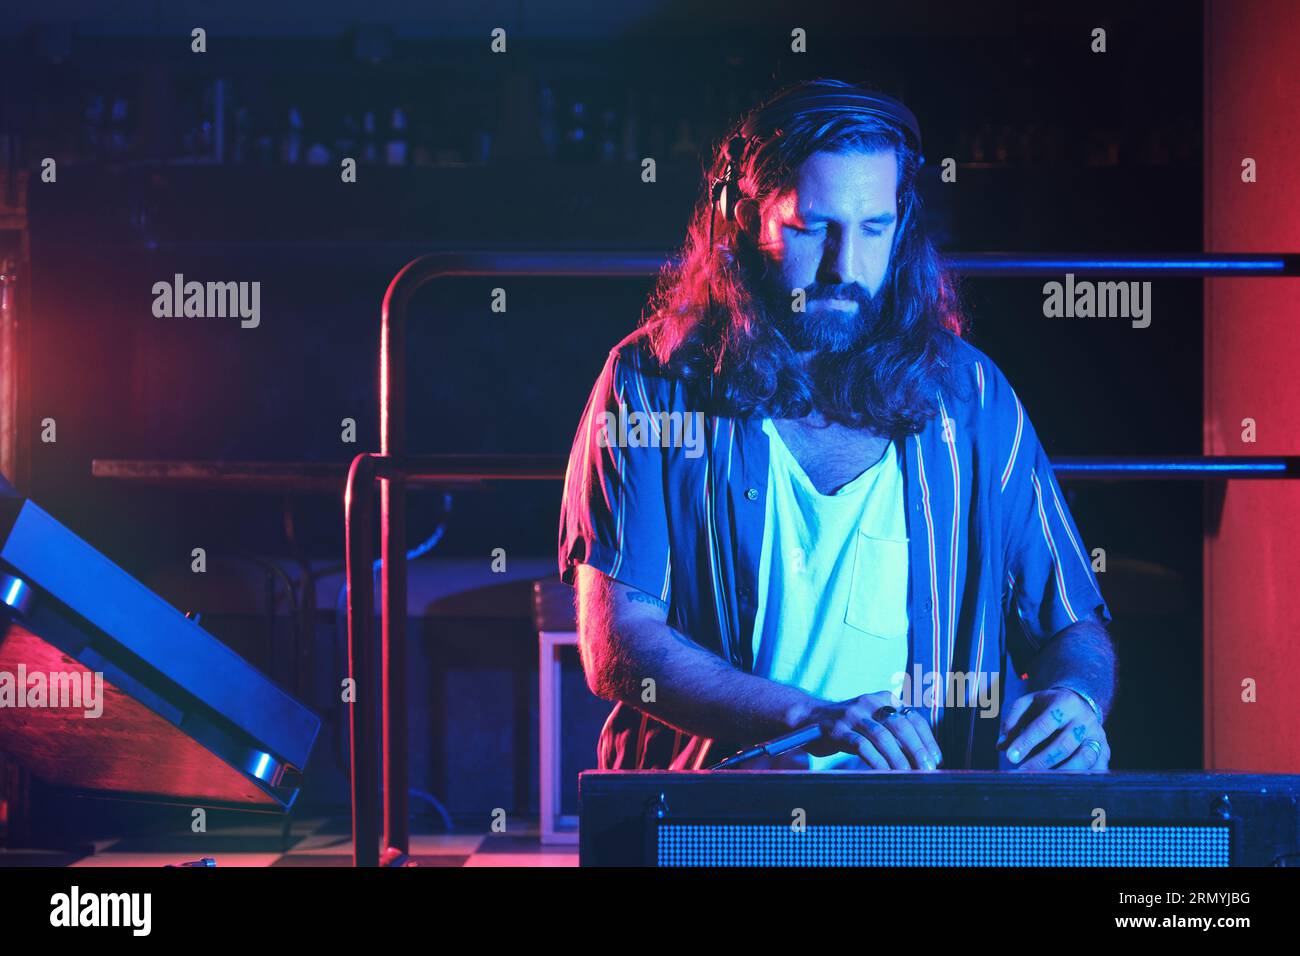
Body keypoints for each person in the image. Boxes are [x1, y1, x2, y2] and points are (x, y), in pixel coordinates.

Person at [558, 78, 1115, 772]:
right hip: (712, 822)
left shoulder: (970, 395)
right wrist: (810, 719)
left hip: (918, 829)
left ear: (902, 227)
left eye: (873, 229)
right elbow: (619, 643)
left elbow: (1070, 622)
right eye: (812, 228)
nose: (844, 267)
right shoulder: (652, 384)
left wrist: (1075, 702)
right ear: (743, 220)